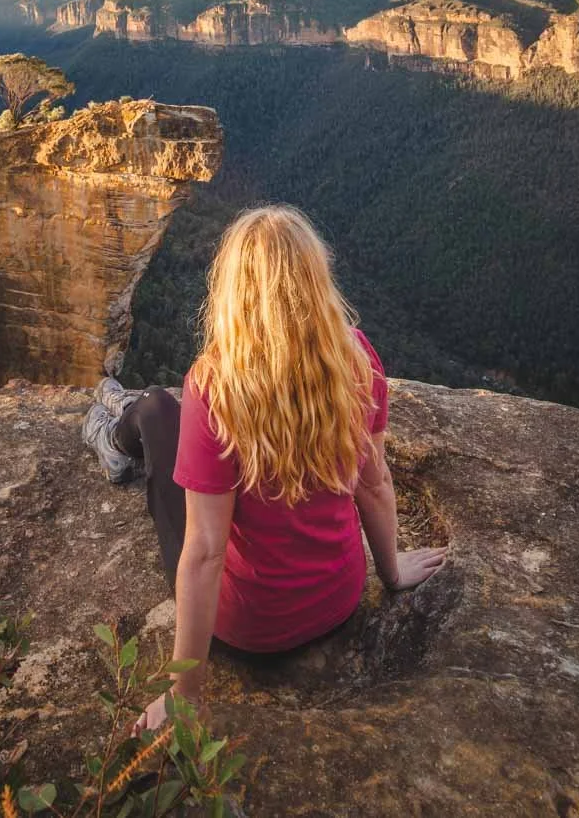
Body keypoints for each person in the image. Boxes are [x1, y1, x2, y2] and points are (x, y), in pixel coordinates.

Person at [82, 205, 447, 733]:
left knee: (161, 411)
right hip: (337, 601)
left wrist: (183, 695)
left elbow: (205, 553)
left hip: (248, 629)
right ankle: (121, 413)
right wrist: (390, 572)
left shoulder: (215, 386)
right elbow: (374, 482)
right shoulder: (357, 360)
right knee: (167, 411)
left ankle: (113, 432)